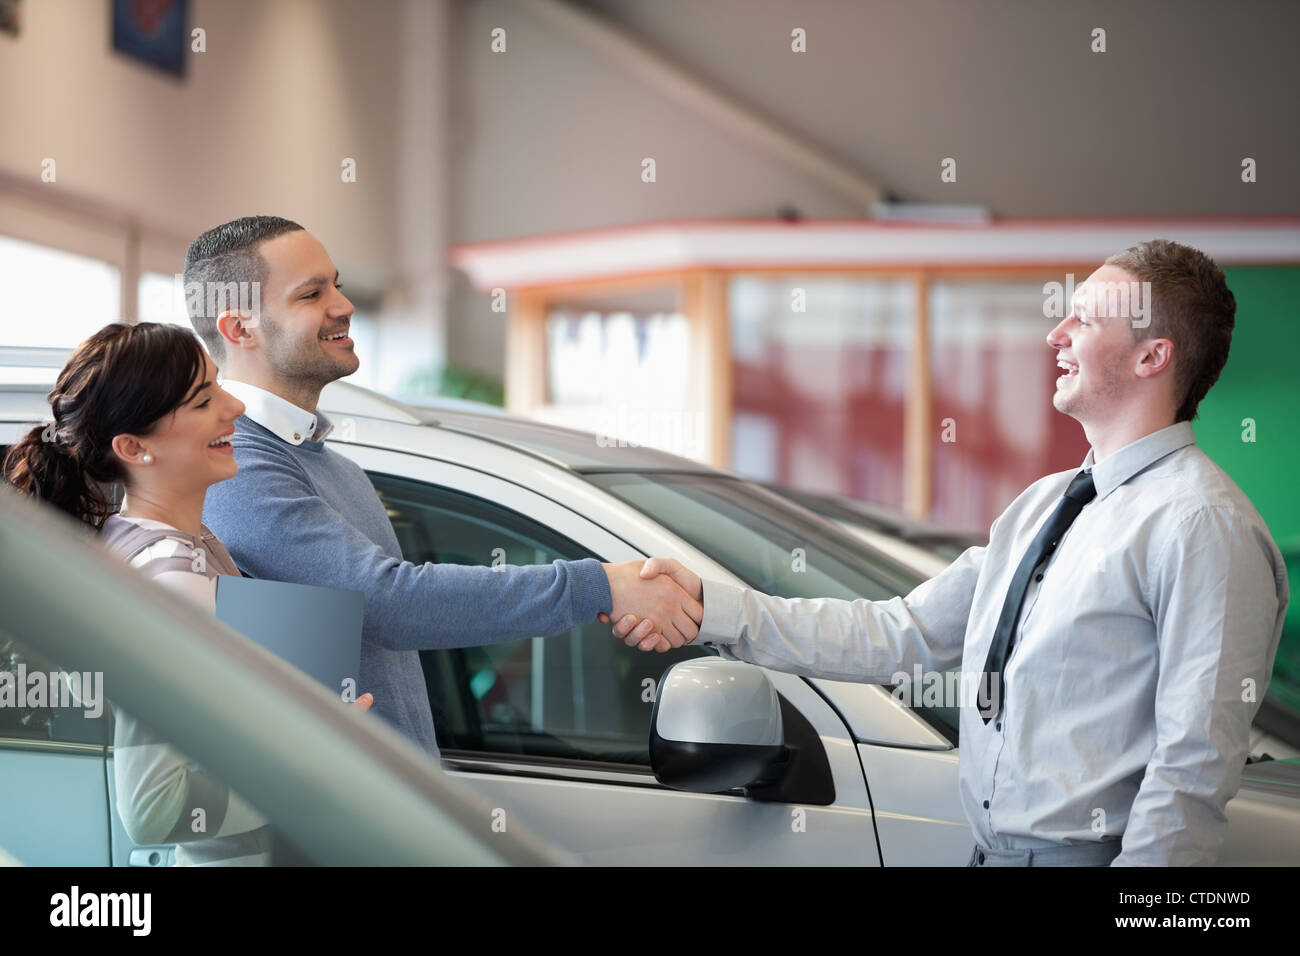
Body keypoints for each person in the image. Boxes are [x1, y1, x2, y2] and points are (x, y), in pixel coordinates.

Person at [611, 239, 1290, 867]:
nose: (1056, 333)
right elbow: (899, 632)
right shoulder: (1044, 506)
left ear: (1152, 357)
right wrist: (714, 610)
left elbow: (1191, 768)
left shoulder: (1204, 526)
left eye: (1083, 319)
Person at [185, 215, 702, 763]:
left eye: (336, 283)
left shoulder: (336, 468)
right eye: (312, 293)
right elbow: (386, 604)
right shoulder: (233, 465)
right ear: (239, 329)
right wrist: (598, 585)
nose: (343, 305)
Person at [2, 322, 372, 865]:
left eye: (219, 386)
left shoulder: (151, 542)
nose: (235, 408)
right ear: (133, 446)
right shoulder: (171, 580)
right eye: (203, 401)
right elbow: (154, 807)